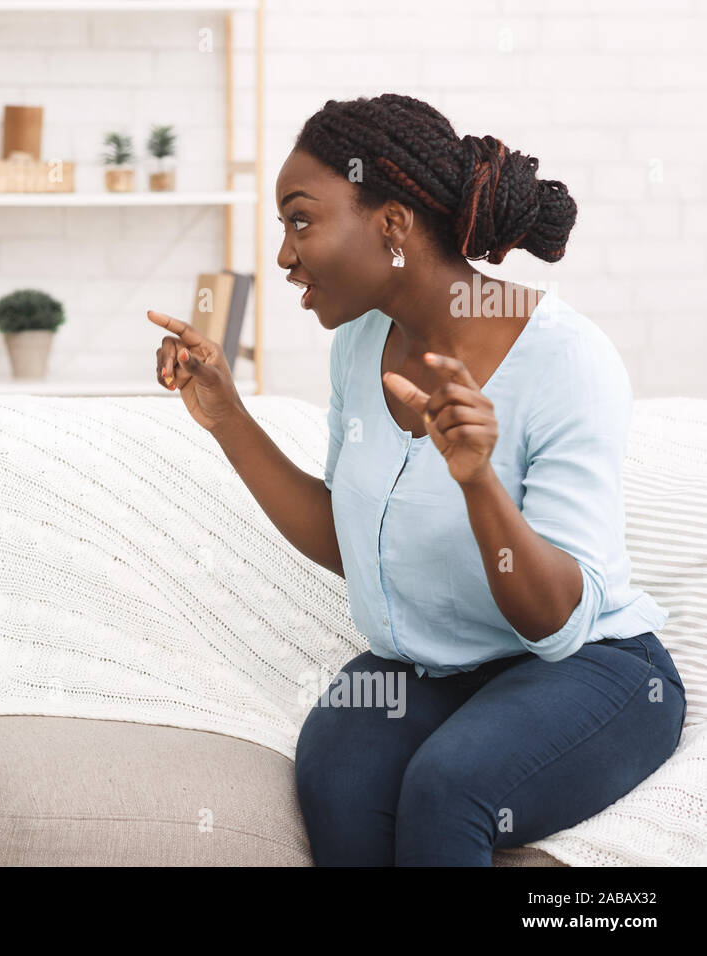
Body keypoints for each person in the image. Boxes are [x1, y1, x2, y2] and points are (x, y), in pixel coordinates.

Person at [146, 93, 685, 866]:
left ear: (392, 226)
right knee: (337, 772)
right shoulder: (361, 344)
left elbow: (556, 616)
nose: (283, 256)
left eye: (301, 221)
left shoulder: (567, 359)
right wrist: (226, 415)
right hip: (436, 666)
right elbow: (350, 540)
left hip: (589, 667)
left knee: (448, 787)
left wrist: (478, 485)